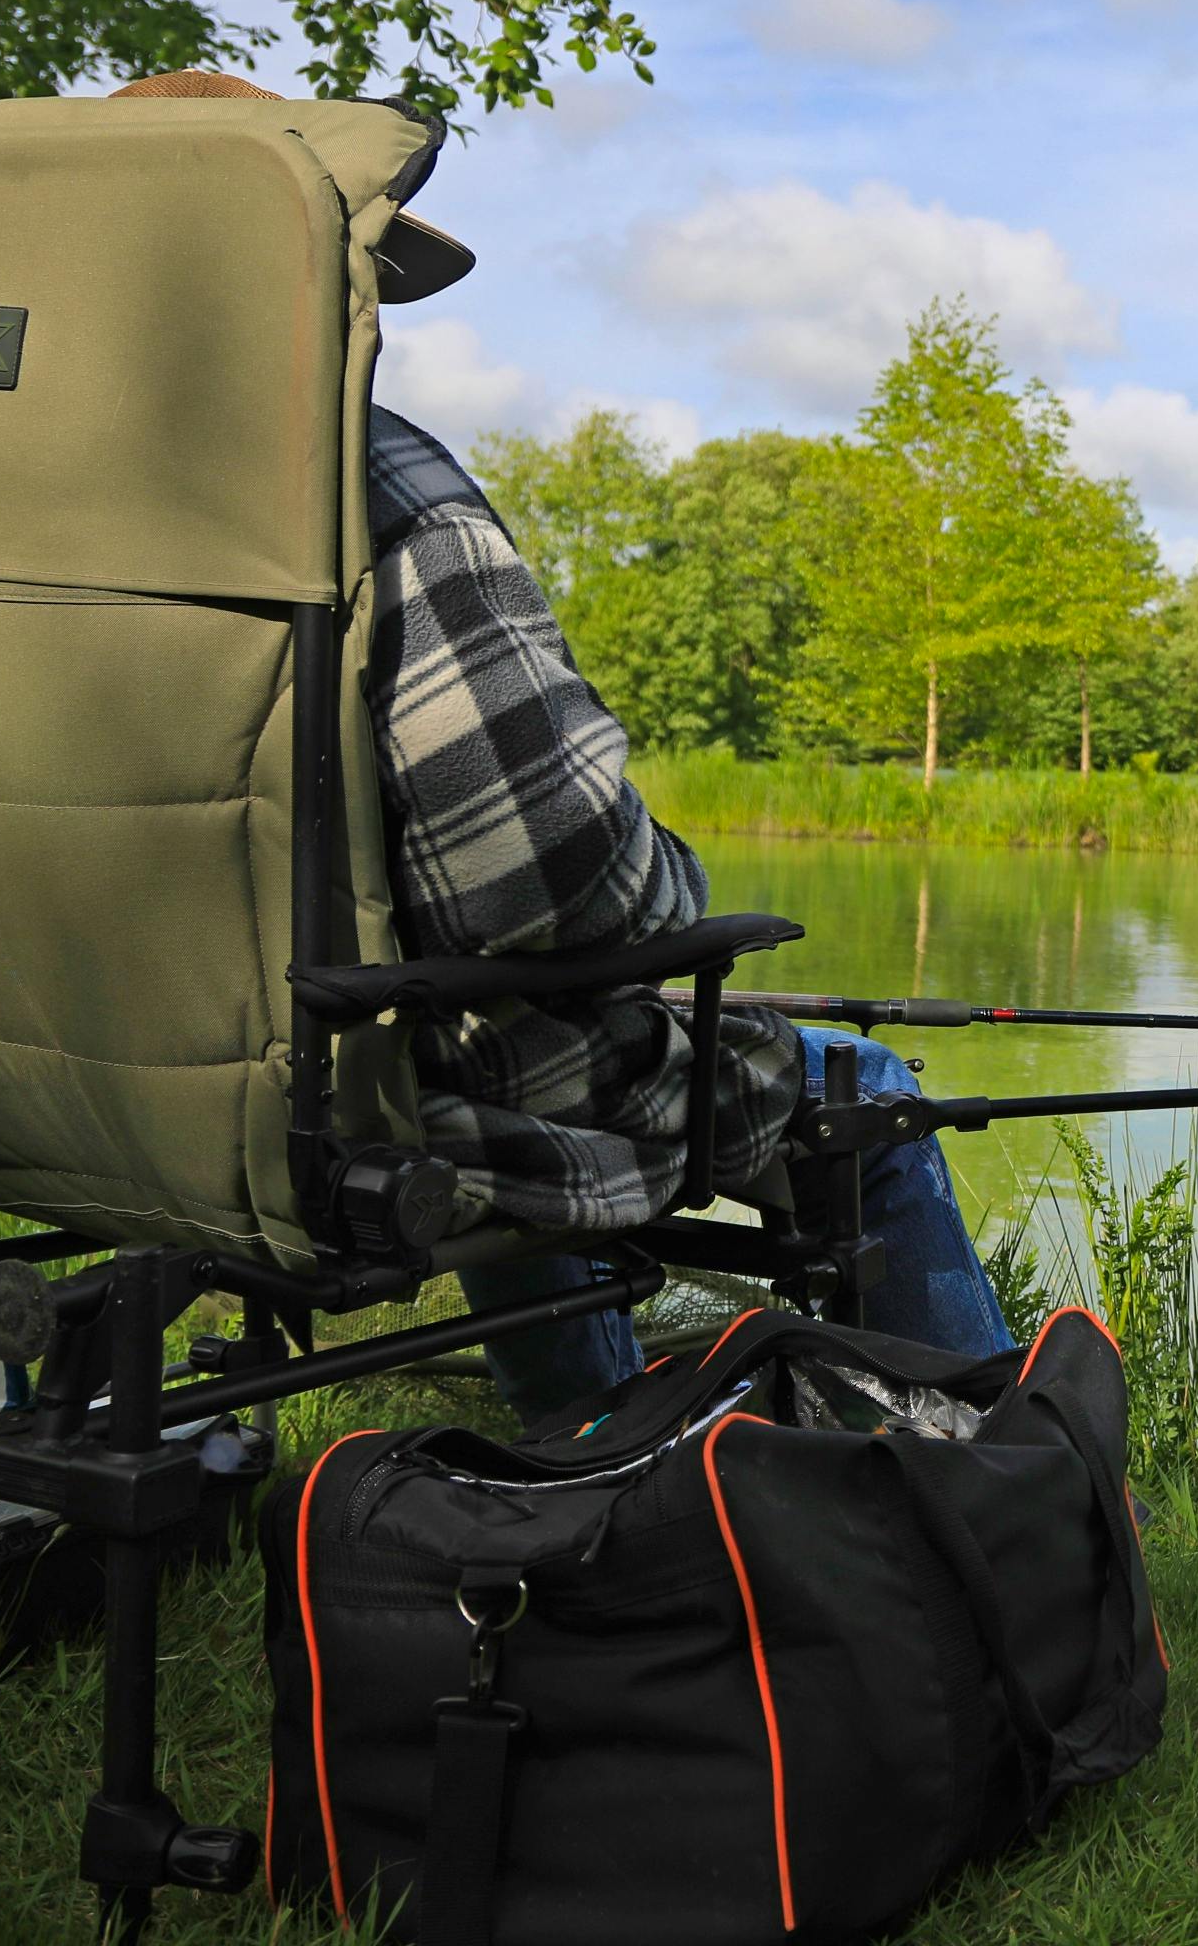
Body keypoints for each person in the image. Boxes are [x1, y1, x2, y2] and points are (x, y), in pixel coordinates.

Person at [109, 72, 1008, 1418]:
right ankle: (988, 1480)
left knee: (473, 1027)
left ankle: (594, 1437)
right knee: (849, 1092)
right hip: (332, 1101)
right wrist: (678, 900)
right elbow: (544, 875)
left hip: (56, 1081)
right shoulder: (368, 486)